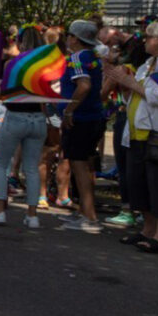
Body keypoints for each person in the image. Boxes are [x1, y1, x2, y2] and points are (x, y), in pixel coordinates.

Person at [104, 18, 158, 253]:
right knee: (139, 183)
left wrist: (130, 83)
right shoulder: (149, 63)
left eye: (149, 37)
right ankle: (148, 229)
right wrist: (124, 84)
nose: (144, 41)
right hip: (137, 132)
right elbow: (137, 92)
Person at [0, 25, 51, 228]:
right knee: (31, 167)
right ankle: (32, 215)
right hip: (38, 118)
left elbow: (5, 93)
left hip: (16, 116)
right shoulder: (44, 67)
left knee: (0, 164)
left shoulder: (12, 64)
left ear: (20, 42)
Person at [58, 20, 109, 232]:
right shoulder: (94, 57)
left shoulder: (77, 58)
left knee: (79, 167)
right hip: (93, 117)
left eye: (69, 35)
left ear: (75, 39)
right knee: (85, 167)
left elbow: (84, 85)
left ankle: (89, 217)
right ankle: (85, 213)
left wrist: (69, 110)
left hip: (81, 120)